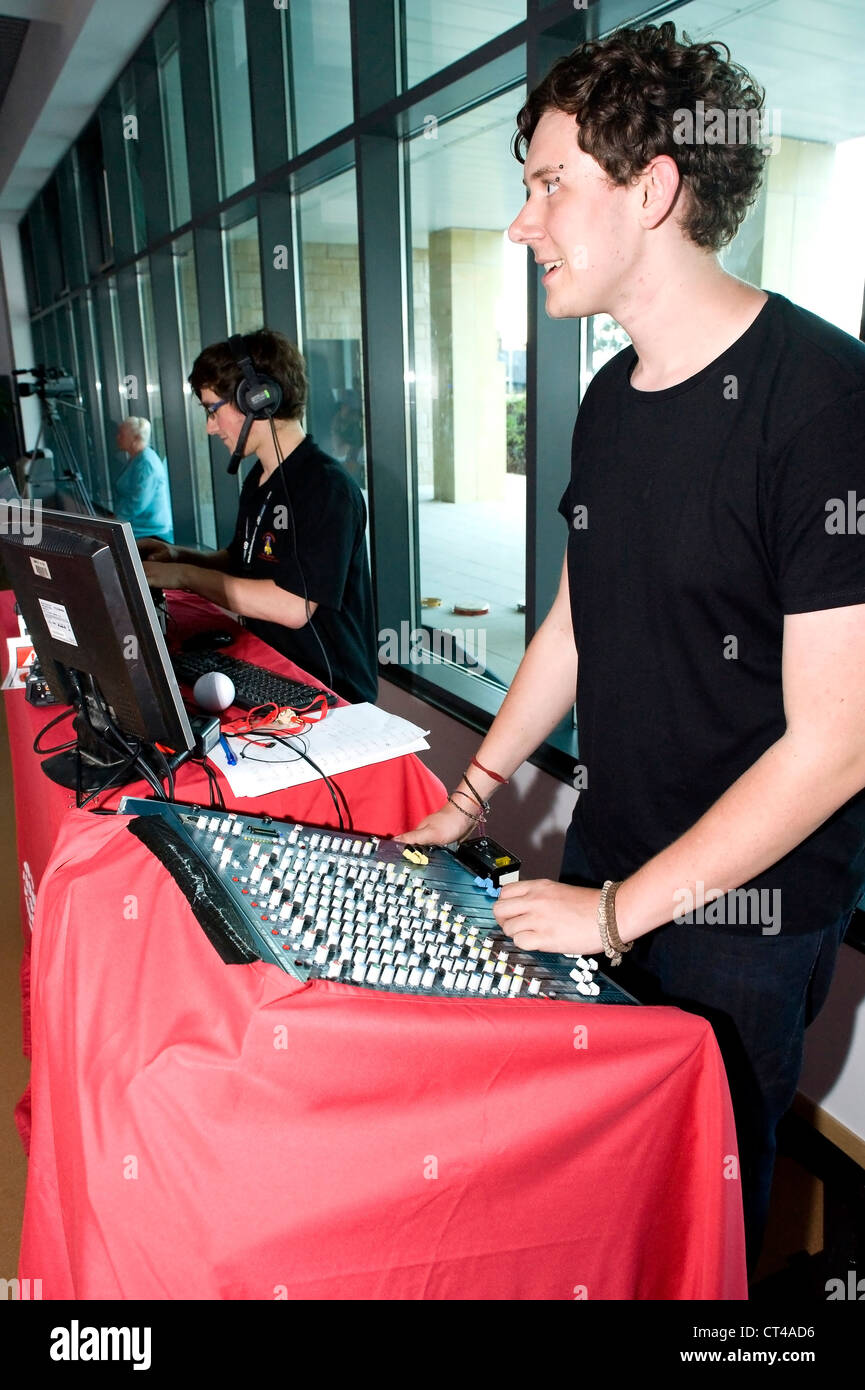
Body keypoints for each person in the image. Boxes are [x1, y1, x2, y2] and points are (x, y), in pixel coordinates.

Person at [397, 21, 865, 1273]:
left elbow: (834, 747)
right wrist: (472, 798)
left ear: (653, 186)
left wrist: (619, 910)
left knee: (710, 1203)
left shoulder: (823, 400)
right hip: (612, 867)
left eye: (548, 184)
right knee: (608, 1181)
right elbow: (571, 623)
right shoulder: (608, 398)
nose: (519, 223)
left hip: (739, 912)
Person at [140, 329, 378, 706]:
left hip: (329, 692)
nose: (210, 427)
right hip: (274, 672)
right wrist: (177, 556)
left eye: (213, 409)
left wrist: (184, 577)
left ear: (257, 400)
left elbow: (292, 606)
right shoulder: (262, 477)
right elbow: (242, 560)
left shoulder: (326, 487)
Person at [114, 417, 174, 543]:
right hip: (138, 527)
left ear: (135, 438)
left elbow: (138, 502)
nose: (117, 437)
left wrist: (115, 520)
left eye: (122, 434)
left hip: (149, 532)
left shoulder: (146, 463)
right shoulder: (137, 459)